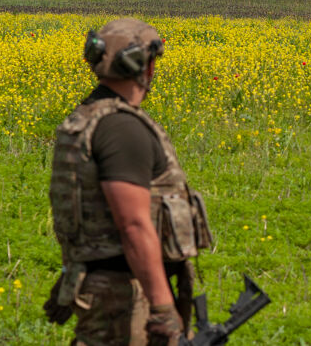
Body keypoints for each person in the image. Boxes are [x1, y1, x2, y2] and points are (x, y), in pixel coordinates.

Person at [45, 18, 212, 346]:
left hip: (107, 289)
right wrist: (163, 310)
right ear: (145, 67)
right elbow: (133, 225)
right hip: (126, 298)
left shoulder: (86, 120)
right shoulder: (121, 129)